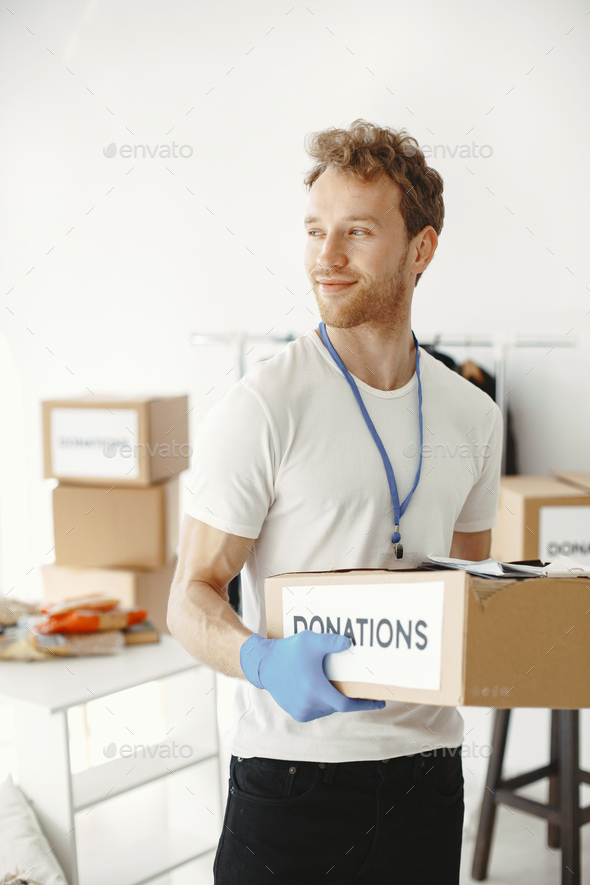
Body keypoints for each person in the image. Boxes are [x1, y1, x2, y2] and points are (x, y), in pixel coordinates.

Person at [167, 118, 503, 884]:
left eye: (356, 231)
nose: (327, 256)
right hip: (291, 779)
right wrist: (260, 657)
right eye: (316, 230)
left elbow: (469, 593)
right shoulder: (262, 405)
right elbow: (189, 597)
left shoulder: (474, 416)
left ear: (421, 249)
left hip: (428, 775)